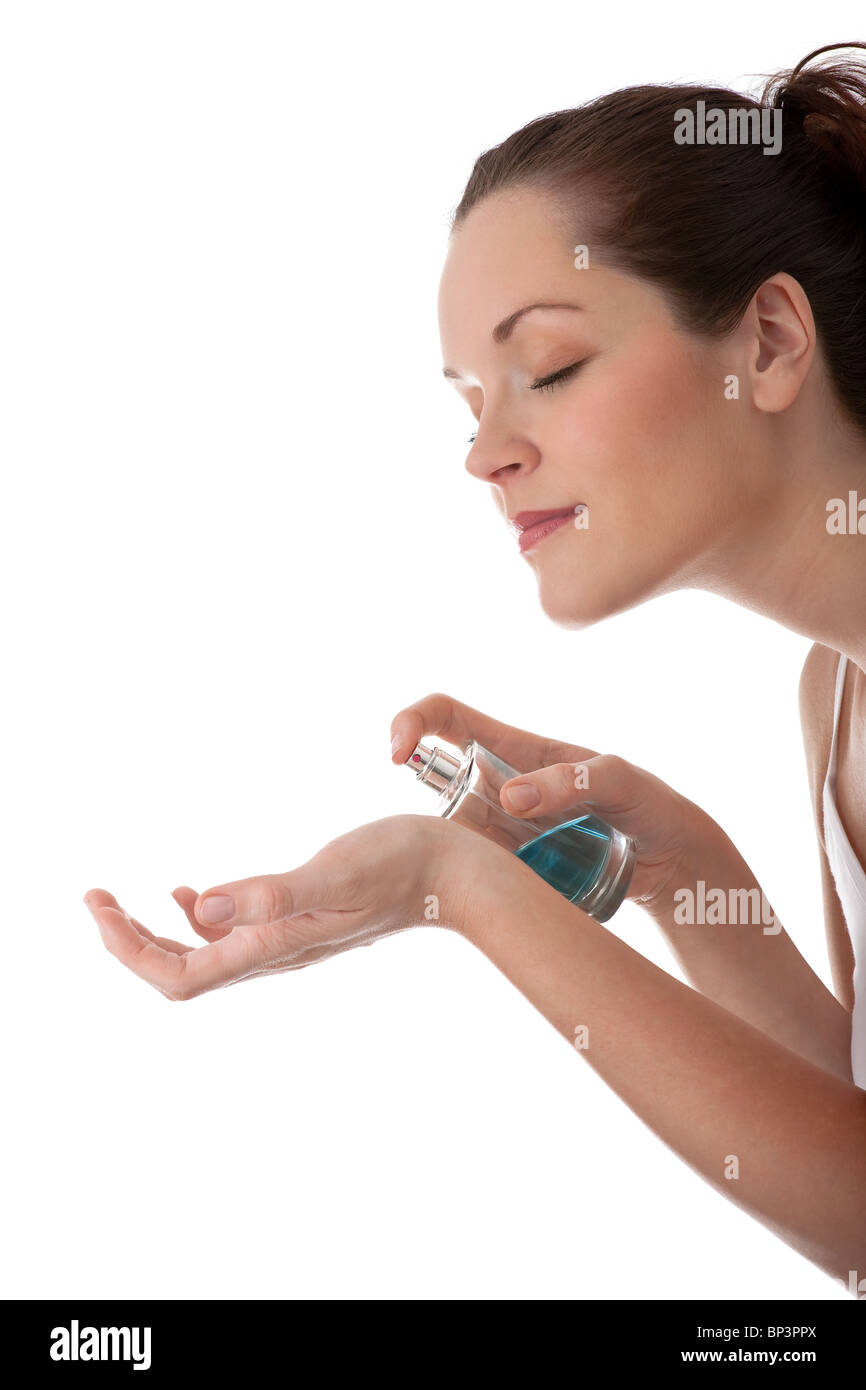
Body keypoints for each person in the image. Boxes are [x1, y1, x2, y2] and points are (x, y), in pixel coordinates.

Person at [83, 42, 866, 1289]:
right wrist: (676, 866)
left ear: (767, 341)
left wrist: (456, 888)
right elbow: (841, 1155)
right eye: (467, 403)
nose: (484, 453)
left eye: (547, 370)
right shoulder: (836, 695)